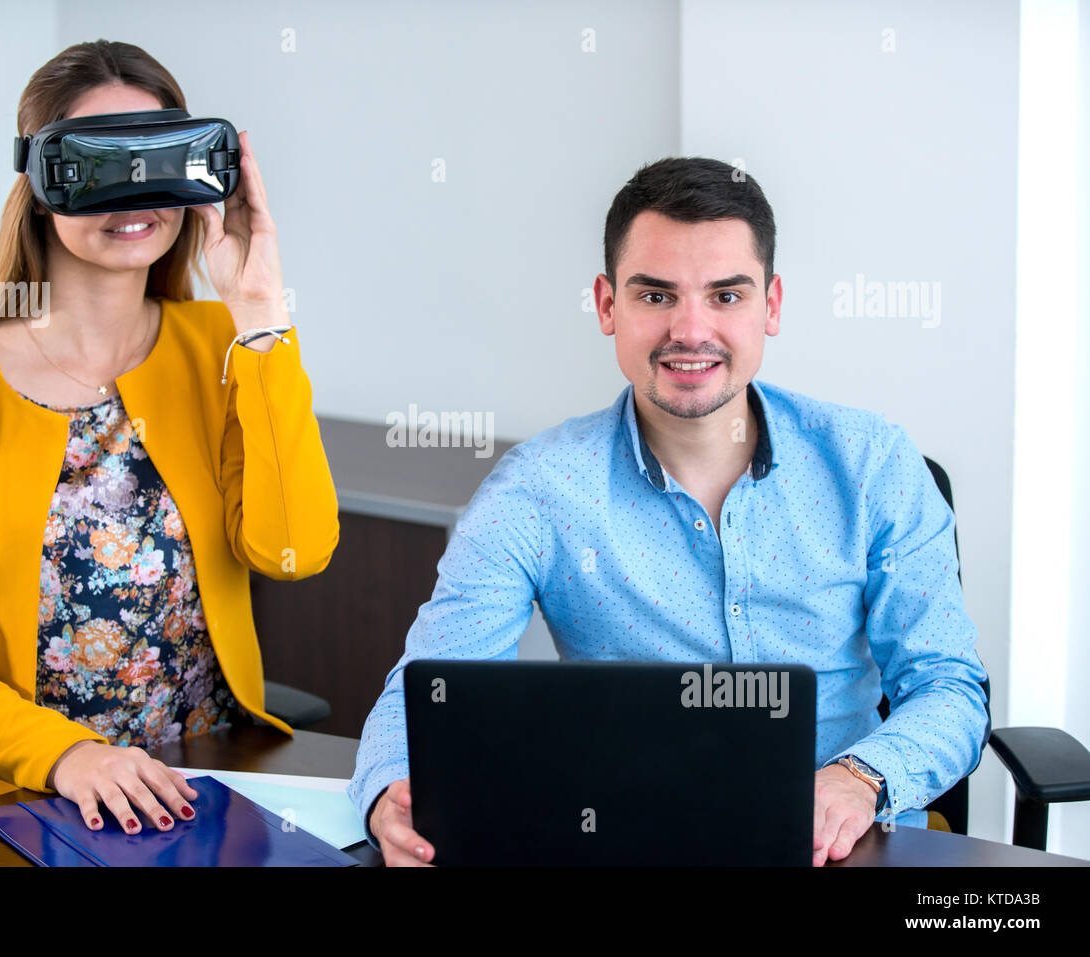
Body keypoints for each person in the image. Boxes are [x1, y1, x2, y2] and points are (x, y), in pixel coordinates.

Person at [349, 156, 990, 867]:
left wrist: (860, 777)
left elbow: (949, 685)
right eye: (655, 296)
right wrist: (388, 791)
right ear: (606, 305)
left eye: (725, 296)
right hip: (631, 841)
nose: (690, 330)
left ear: (770, 306)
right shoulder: (538, 489)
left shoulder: (872, 463)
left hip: (842, 844)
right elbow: (428, 683)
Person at [0, 40, 338, 835]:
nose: (133, 195)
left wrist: (259, 315)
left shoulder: (219, 346)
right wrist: (71, 756)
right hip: (35, 793)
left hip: (206, 784)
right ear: (40, 181)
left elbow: (293, 551)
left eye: (154, 160)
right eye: (98, 163)